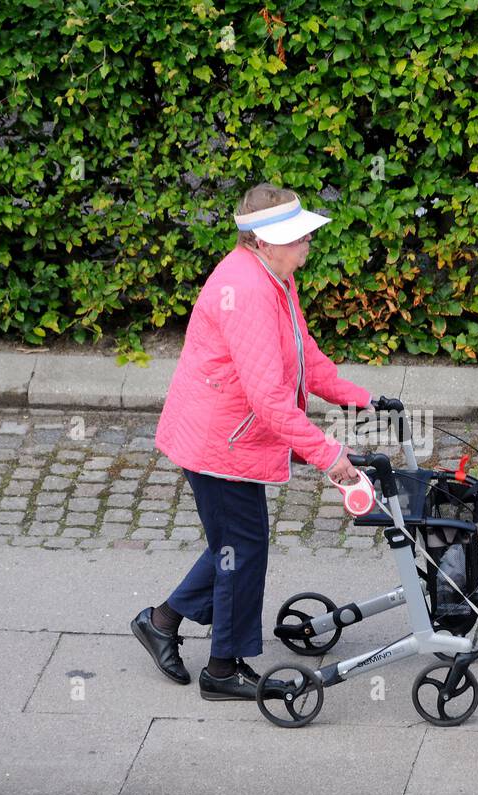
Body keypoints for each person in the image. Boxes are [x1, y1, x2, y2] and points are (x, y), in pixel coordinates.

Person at [132, 183, 373, 700]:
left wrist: (357, 396)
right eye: (298, 236)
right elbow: (269, 399)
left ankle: (162, 621)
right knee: (241, 551)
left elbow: (302, 351)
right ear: (263, 241)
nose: (308, 242)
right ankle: (222, 669)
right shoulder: (247, 290)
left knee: (233, 547)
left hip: (226, 435)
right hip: (220, 443)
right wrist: (331, 457)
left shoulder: (273, 277)